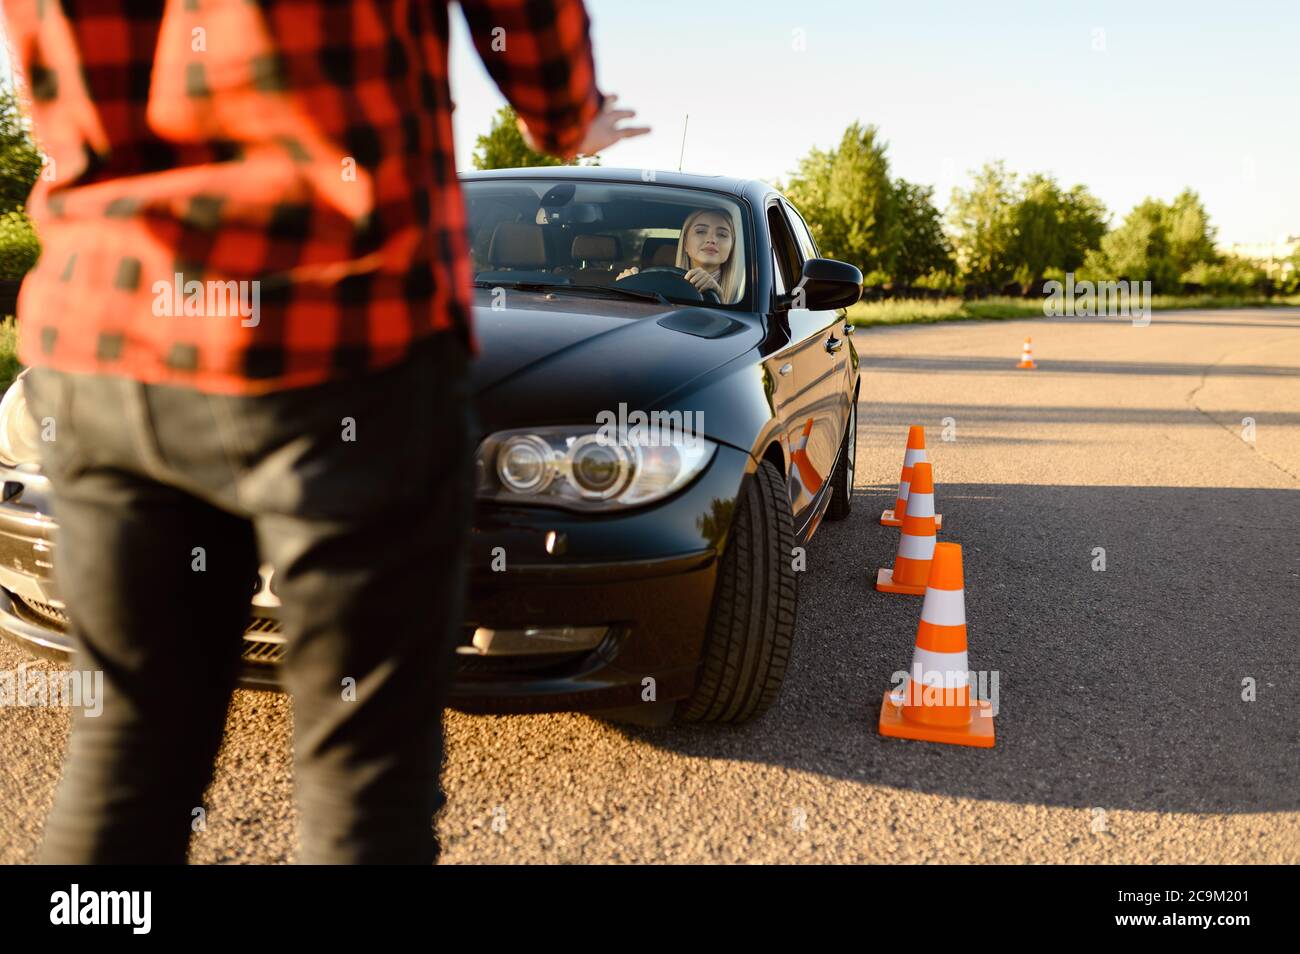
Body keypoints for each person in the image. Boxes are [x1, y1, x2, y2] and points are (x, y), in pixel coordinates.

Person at [3, 0, 647, 864]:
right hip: (345, 326)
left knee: (126, 751)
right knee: (363, 785)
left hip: (112, 325)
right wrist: (565, 112)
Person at [618, 207, 743, 302]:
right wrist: (623, 289)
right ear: (685, 244)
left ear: (732, 246)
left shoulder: (747, 295)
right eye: (700, 231)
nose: (711, 239)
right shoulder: (654, 284)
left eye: (722, 234)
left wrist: (719, 298)